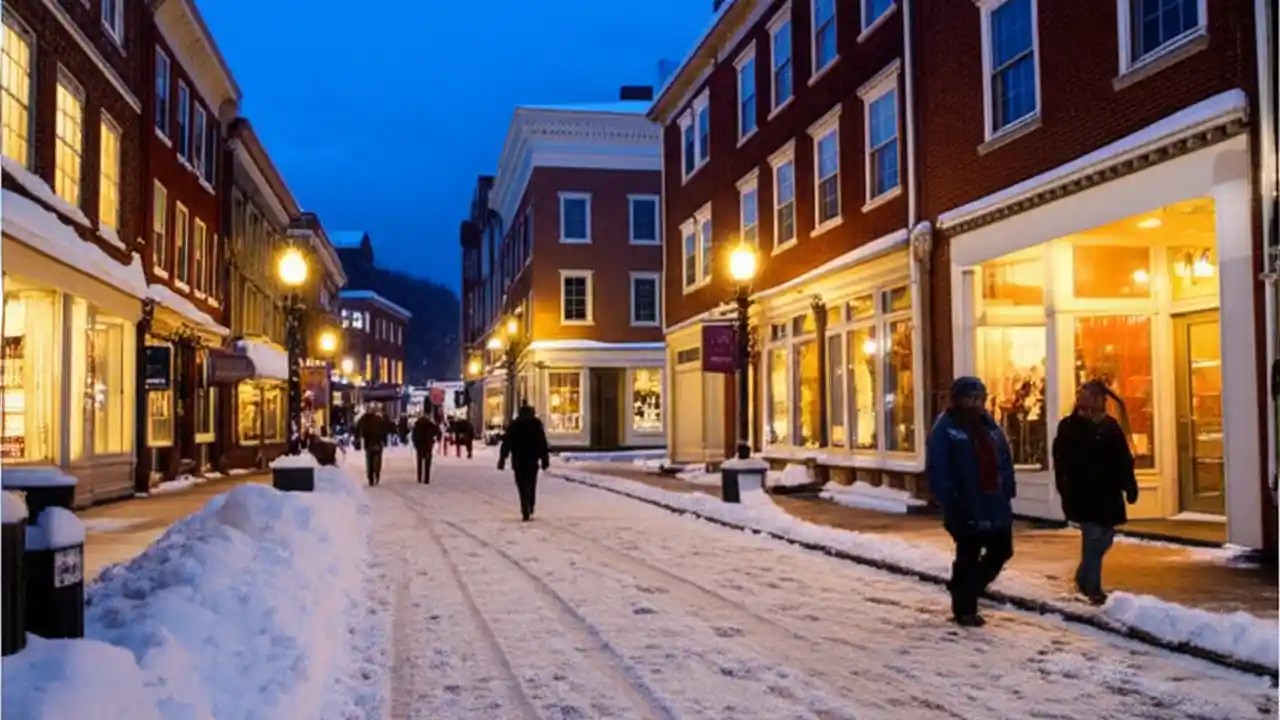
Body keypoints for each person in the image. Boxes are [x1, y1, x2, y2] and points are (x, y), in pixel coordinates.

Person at [926, 377, 1017, 627]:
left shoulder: (989, 425)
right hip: (965, 502)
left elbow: (1003, 459)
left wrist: (1008, 489)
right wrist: (950, 499)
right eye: (969, 398)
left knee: (1002, 550)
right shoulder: (947, 428)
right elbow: (939, 467)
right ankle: (965, 608)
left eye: (978, 398)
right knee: (968, 553)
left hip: (994, 501)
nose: (974, 403)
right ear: (957, 399)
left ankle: (966, 588)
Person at [1053, 380, 1139, 605]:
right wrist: (1064, 489)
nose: (1087, 400)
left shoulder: (1110, 426)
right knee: (1092, 538)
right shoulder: (1070, 426)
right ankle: (1093, 588)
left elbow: (1123, 459)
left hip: (1108, 492)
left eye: (1092, 396)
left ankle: (1084, 576)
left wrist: (1129, 485)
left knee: (1106, 537)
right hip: (1083, 491)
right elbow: (1061, 461)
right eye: (1083, 395)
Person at [497, 403, 550, 521]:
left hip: (518, 459)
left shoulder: (515, 425)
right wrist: (544, 459)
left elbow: (507, 443)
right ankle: (530, 504)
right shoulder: (536, 424)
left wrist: (502, 459)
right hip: (532, 459)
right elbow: (542, 442)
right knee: (531, 483)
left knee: (521, 484)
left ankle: (524, 503)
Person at [356, 404, 388, 486]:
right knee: (377, 461)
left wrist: (358, 438)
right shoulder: (378, 419)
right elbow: (384, 430)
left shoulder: (364, 419)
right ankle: (376, 474)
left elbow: (358, 429)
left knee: (369, 461)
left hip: (369, 444)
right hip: (377, 443)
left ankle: (370, 477)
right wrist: (384, 441)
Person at [411, 413, 442, 484]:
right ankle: (426, 479)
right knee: (427, 463)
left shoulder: (417, 425)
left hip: (420, 445)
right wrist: (436, 439)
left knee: (419, 462)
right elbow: (438, 432)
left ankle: (419, 477)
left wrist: (415, 444)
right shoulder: (431, 425)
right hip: (428, 445)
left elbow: (414, 436)